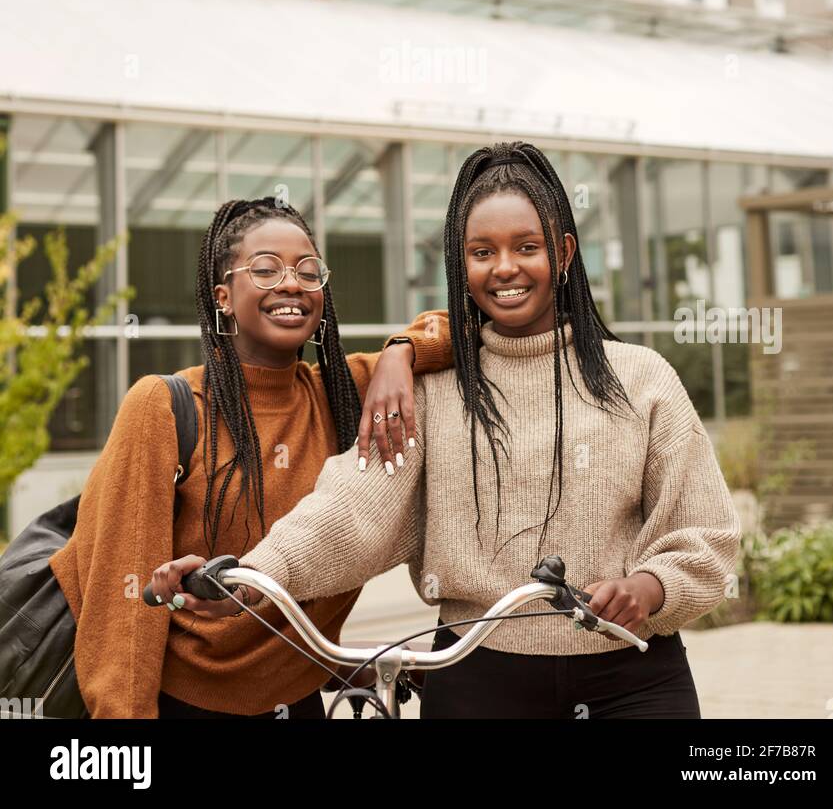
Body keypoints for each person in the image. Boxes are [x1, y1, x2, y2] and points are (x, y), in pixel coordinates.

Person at [157, 145, 742, 719]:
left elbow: (706, 534)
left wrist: (650, 587)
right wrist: (253, 574)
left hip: (634, 682)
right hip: (477, 679)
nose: (505, 267)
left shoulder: (642, 379)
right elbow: (351, 508)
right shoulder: (434, 389)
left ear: (562, 254)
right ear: (460, 264)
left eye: (527, 247)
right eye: (482, 251)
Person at [49, 196, 453, 718]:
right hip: (184, 703)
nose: (291, 284)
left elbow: (458, 330)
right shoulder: (164, 406)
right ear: (223, 296)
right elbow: (122, 604)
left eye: (308, 271)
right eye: (265, 270)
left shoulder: (344, 391)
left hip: (302, 700)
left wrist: (401, 352)